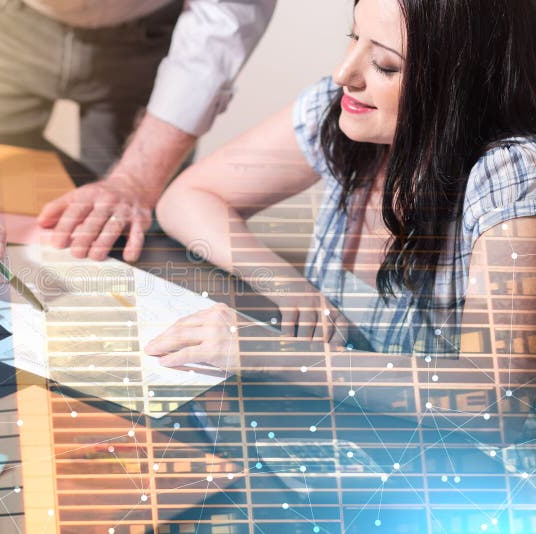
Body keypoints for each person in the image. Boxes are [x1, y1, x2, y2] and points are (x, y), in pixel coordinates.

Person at [144, 0, 536, 370]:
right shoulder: (342, 107)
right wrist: (285, 283)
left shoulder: (510, 174)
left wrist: (278, 355)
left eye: (385, 64)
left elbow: (494, 398)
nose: (343, 74)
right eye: (353, 38)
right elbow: (184, 199)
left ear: (461, 86)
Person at [0, 0, 276, 284]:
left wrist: (135, 183)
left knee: (125, 235)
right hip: (9, 24)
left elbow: (224, 24)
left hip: (148, 30)